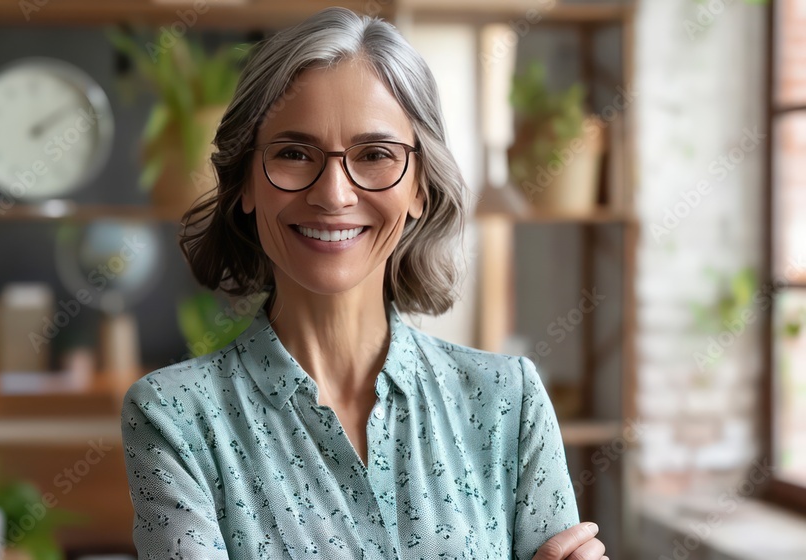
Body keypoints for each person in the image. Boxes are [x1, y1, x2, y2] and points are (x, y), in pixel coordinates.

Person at [121, 7, 608, 559]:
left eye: (375, 155)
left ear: (420, 186)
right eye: (293, 154)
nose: (333, 194)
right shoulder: (175, 418)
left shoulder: (508, 402)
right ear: (245, 185)